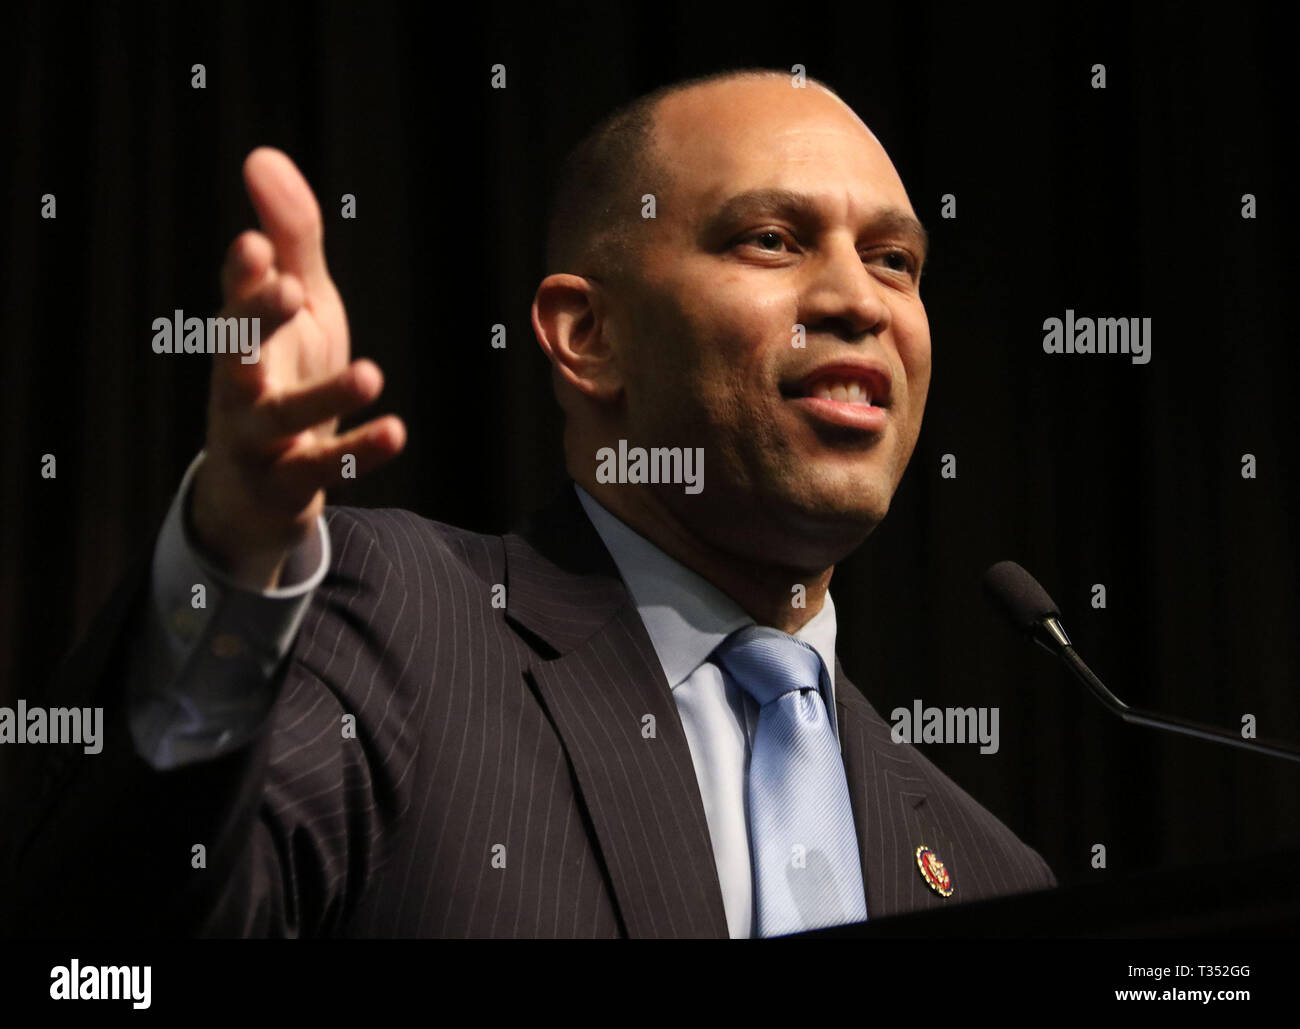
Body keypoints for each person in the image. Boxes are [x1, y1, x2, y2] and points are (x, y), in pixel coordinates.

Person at [2, 68, 1055, 939]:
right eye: (771, 240)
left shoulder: (991, 868)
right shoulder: (394, 632)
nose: (858, 301)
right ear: (584, 337)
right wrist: (229, 566)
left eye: (894, 260)